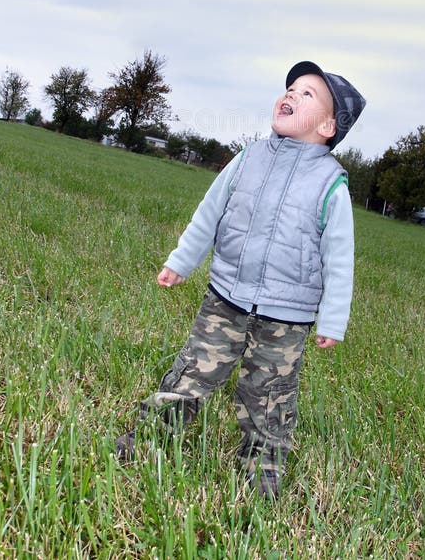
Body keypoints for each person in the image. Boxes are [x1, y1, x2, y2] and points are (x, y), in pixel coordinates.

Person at [115, 61, 366, 498]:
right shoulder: (248, 158)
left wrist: (332, 320)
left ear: (328, 125)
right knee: (192, 372)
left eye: (307, 94)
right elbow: (209, 213)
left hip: (287, 317)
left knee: (269, 394)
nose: (291, 94)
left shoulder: (331, 184)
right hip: (225, 298)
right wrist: (181, 261)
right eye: (290, 87)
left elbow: (339, 257)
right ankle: (149, 438)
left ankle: (263, 466)